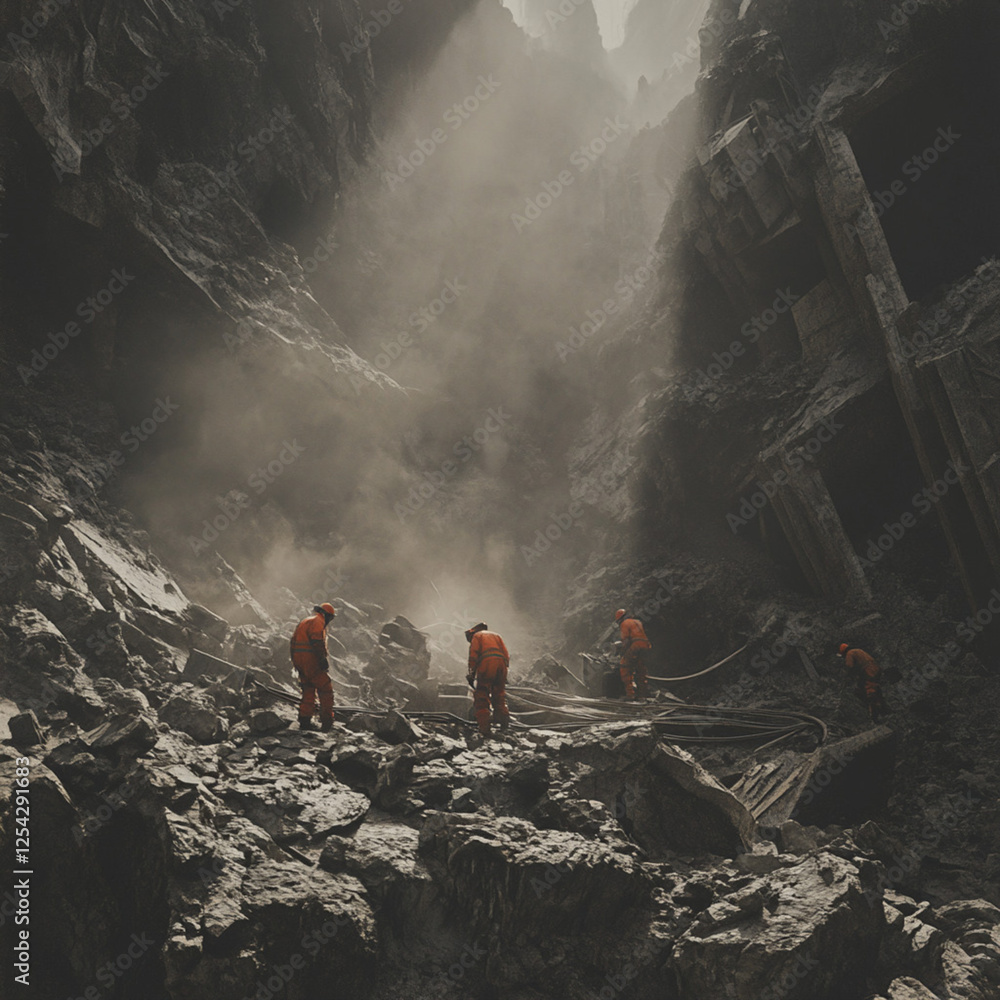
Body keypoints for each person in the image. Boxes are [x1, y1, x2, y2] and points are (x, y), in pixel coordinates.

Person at [290, 604, 336, 731]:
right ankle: (327, 723)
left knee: (308, 689)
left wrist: (296, 663)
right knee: (325, 687)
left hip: (300, 660)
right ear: (326, 614)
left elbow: (292, 642)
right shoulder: (318, 621)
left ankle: (305, 721)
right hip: (310, 659)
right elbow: (317, 640)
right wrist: (322, 659)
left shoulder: (305, 620)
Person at [466, 622, 510, 738]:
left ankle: (485, 729)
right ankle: (504, 726)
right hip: (502, 665)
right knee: (499, 694)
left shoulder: (477, 636)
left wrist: (471, 675)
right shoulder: (497, 635)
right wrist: (503, 673)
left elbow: (473, 657)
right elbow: (506, 654)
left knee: (481, 695)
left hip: (488, 663)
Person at [839, 643, 888, 723]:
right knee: (875, 688)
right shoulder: (858, 650)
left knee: (871, 692)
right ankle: (883, 707)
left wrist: (847, 676)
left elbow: (849, 665)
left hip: (869, 671)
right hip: (875, 668)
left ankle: (876, 715)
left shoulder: (849, 653)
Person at [615, 609, 651, 700]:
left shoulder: (624, 623)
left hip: (635, 646)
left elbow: (626, 640)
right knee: (641, 670)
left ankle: (630, 694)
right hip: (646, 646)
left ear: (620, 620)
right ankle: (642, 695)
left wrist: (622, 652)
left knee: (625, 667)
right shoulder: (638, 621)